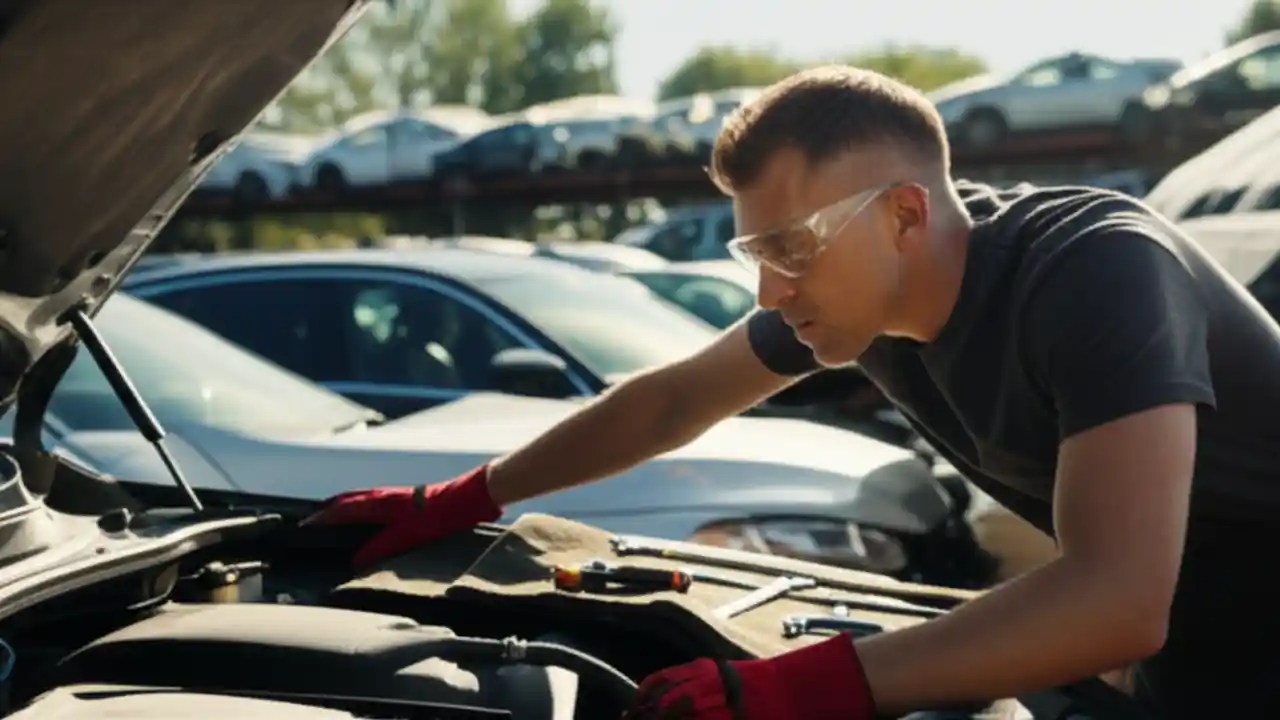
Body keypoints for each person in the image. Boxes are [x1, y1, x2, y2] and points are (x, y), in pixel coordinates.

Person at [306, 65, 1280, 718]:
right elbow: (669, 402)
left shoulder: (1093, 267)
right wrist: (463, 498)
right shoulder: (859, 310)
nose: (769, 291)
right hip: (1192, 664)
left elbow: (1113, 598)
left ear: (903, 214)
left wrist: (787, 692)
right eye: (753, 252)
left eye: (787, 248)